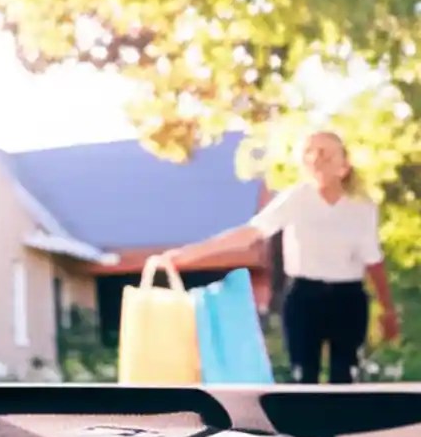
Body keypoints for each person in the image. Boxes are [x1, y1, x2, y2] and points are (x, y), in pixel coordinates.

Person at [160, 130, 398, 384]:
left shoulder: (362, 207)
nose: (316, 158)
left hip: (347, 298)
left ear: (344, 163)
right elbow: (251, 233)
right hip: (305, 295)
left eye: (325, 153)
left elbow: (373, 259)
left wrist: (387, 309)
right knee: (303, 374)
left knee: (345, 374)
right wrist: (190, 254)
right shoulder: (295, 199)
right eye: (309, 152)